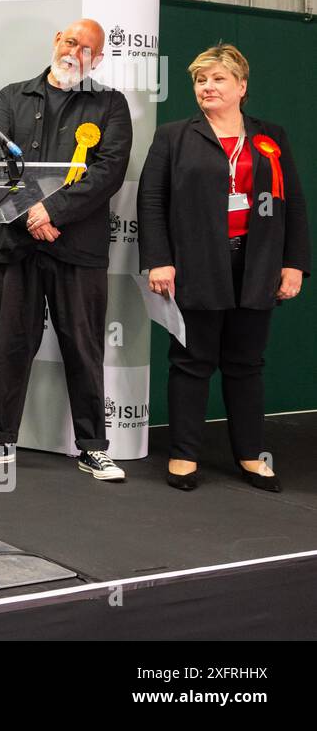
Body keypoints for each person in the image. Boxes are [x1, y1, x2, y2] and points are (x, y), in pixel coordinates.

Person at [139, 43, 308, 492]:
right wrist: (159, 259)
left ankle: (251, 456)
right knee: (191, 361)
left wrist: (294, 264)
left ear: (242, 86)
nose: (207, 87)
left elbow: (293, 205)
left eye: (218, 79)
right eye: (200, 80)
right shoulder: (174, 135)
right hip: (195, 265)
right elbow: (152, 201)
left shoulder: (270, 137)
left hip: (257, 265)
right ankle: (184, 455)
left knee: (246, 363)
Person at [0, 19, 133, 481]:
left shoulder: (111, 104)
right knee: (8, 346)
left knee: (83, 347)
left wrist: (53, 213)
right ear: (56, 42)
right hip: (18, 243)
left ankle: (92, 447)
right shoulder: (13, 95)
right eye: (71, 42)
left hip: (78, 248)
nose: (76, 52)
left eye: (88, 49)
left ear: (99, 59)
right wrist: (34, 213)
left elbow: (108, 171)